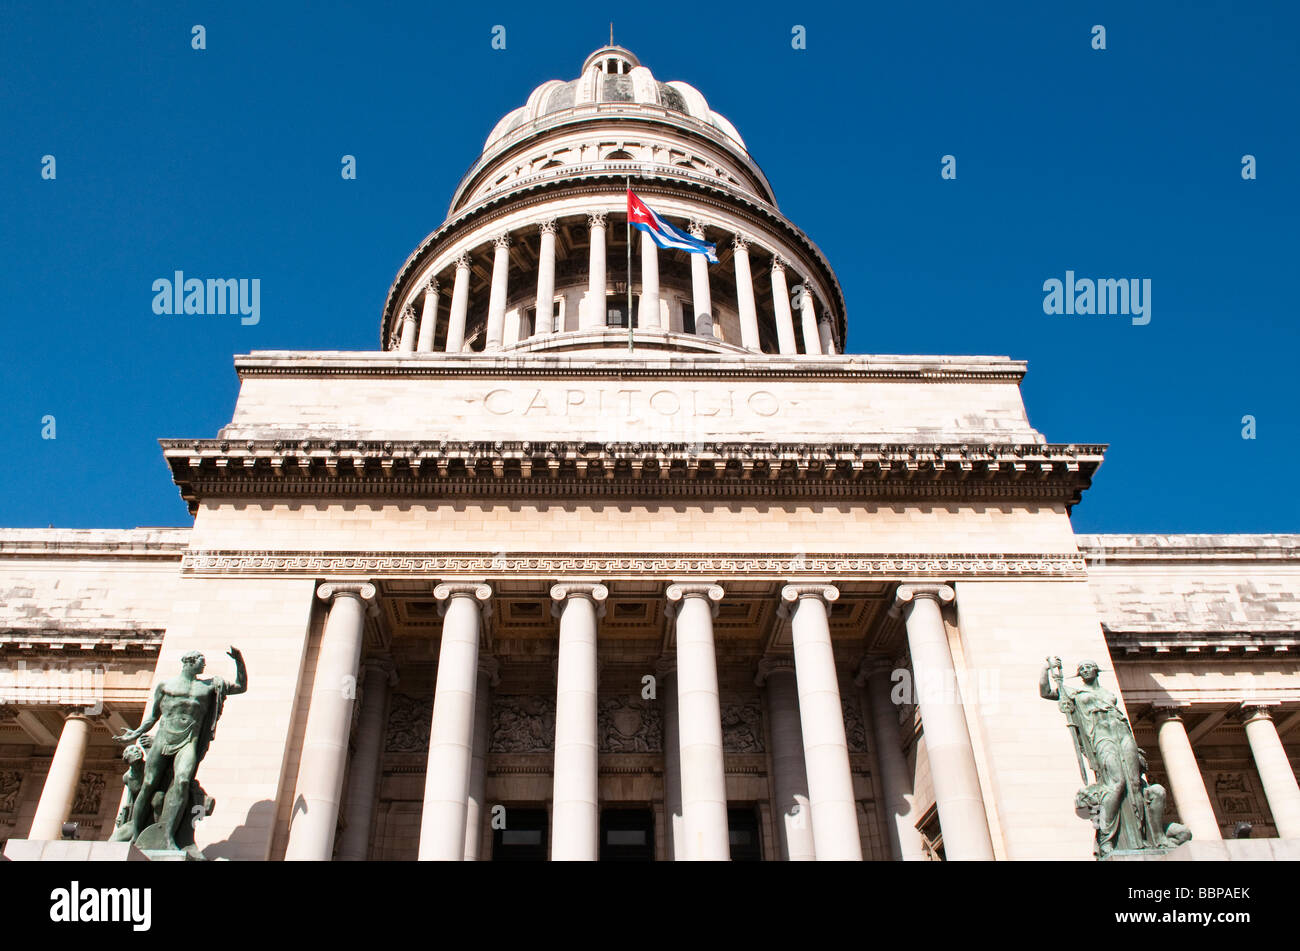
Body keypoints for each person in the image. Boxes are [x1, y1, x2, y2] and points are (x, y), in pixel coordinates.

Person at [113, 646, 246, 852]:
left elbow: (240, 686)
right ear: (189, 662)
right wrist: (135, 733)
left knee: (182, 780)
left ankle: (167, 836)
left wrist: (239, 662)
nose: (204, 664)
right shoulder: (166, 686)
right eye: (201, 660)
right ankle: (137, 836)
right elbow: (152, 717)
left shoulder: (209, 686)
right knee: (148, 784)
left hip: (188, 740)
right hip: (164, 738)